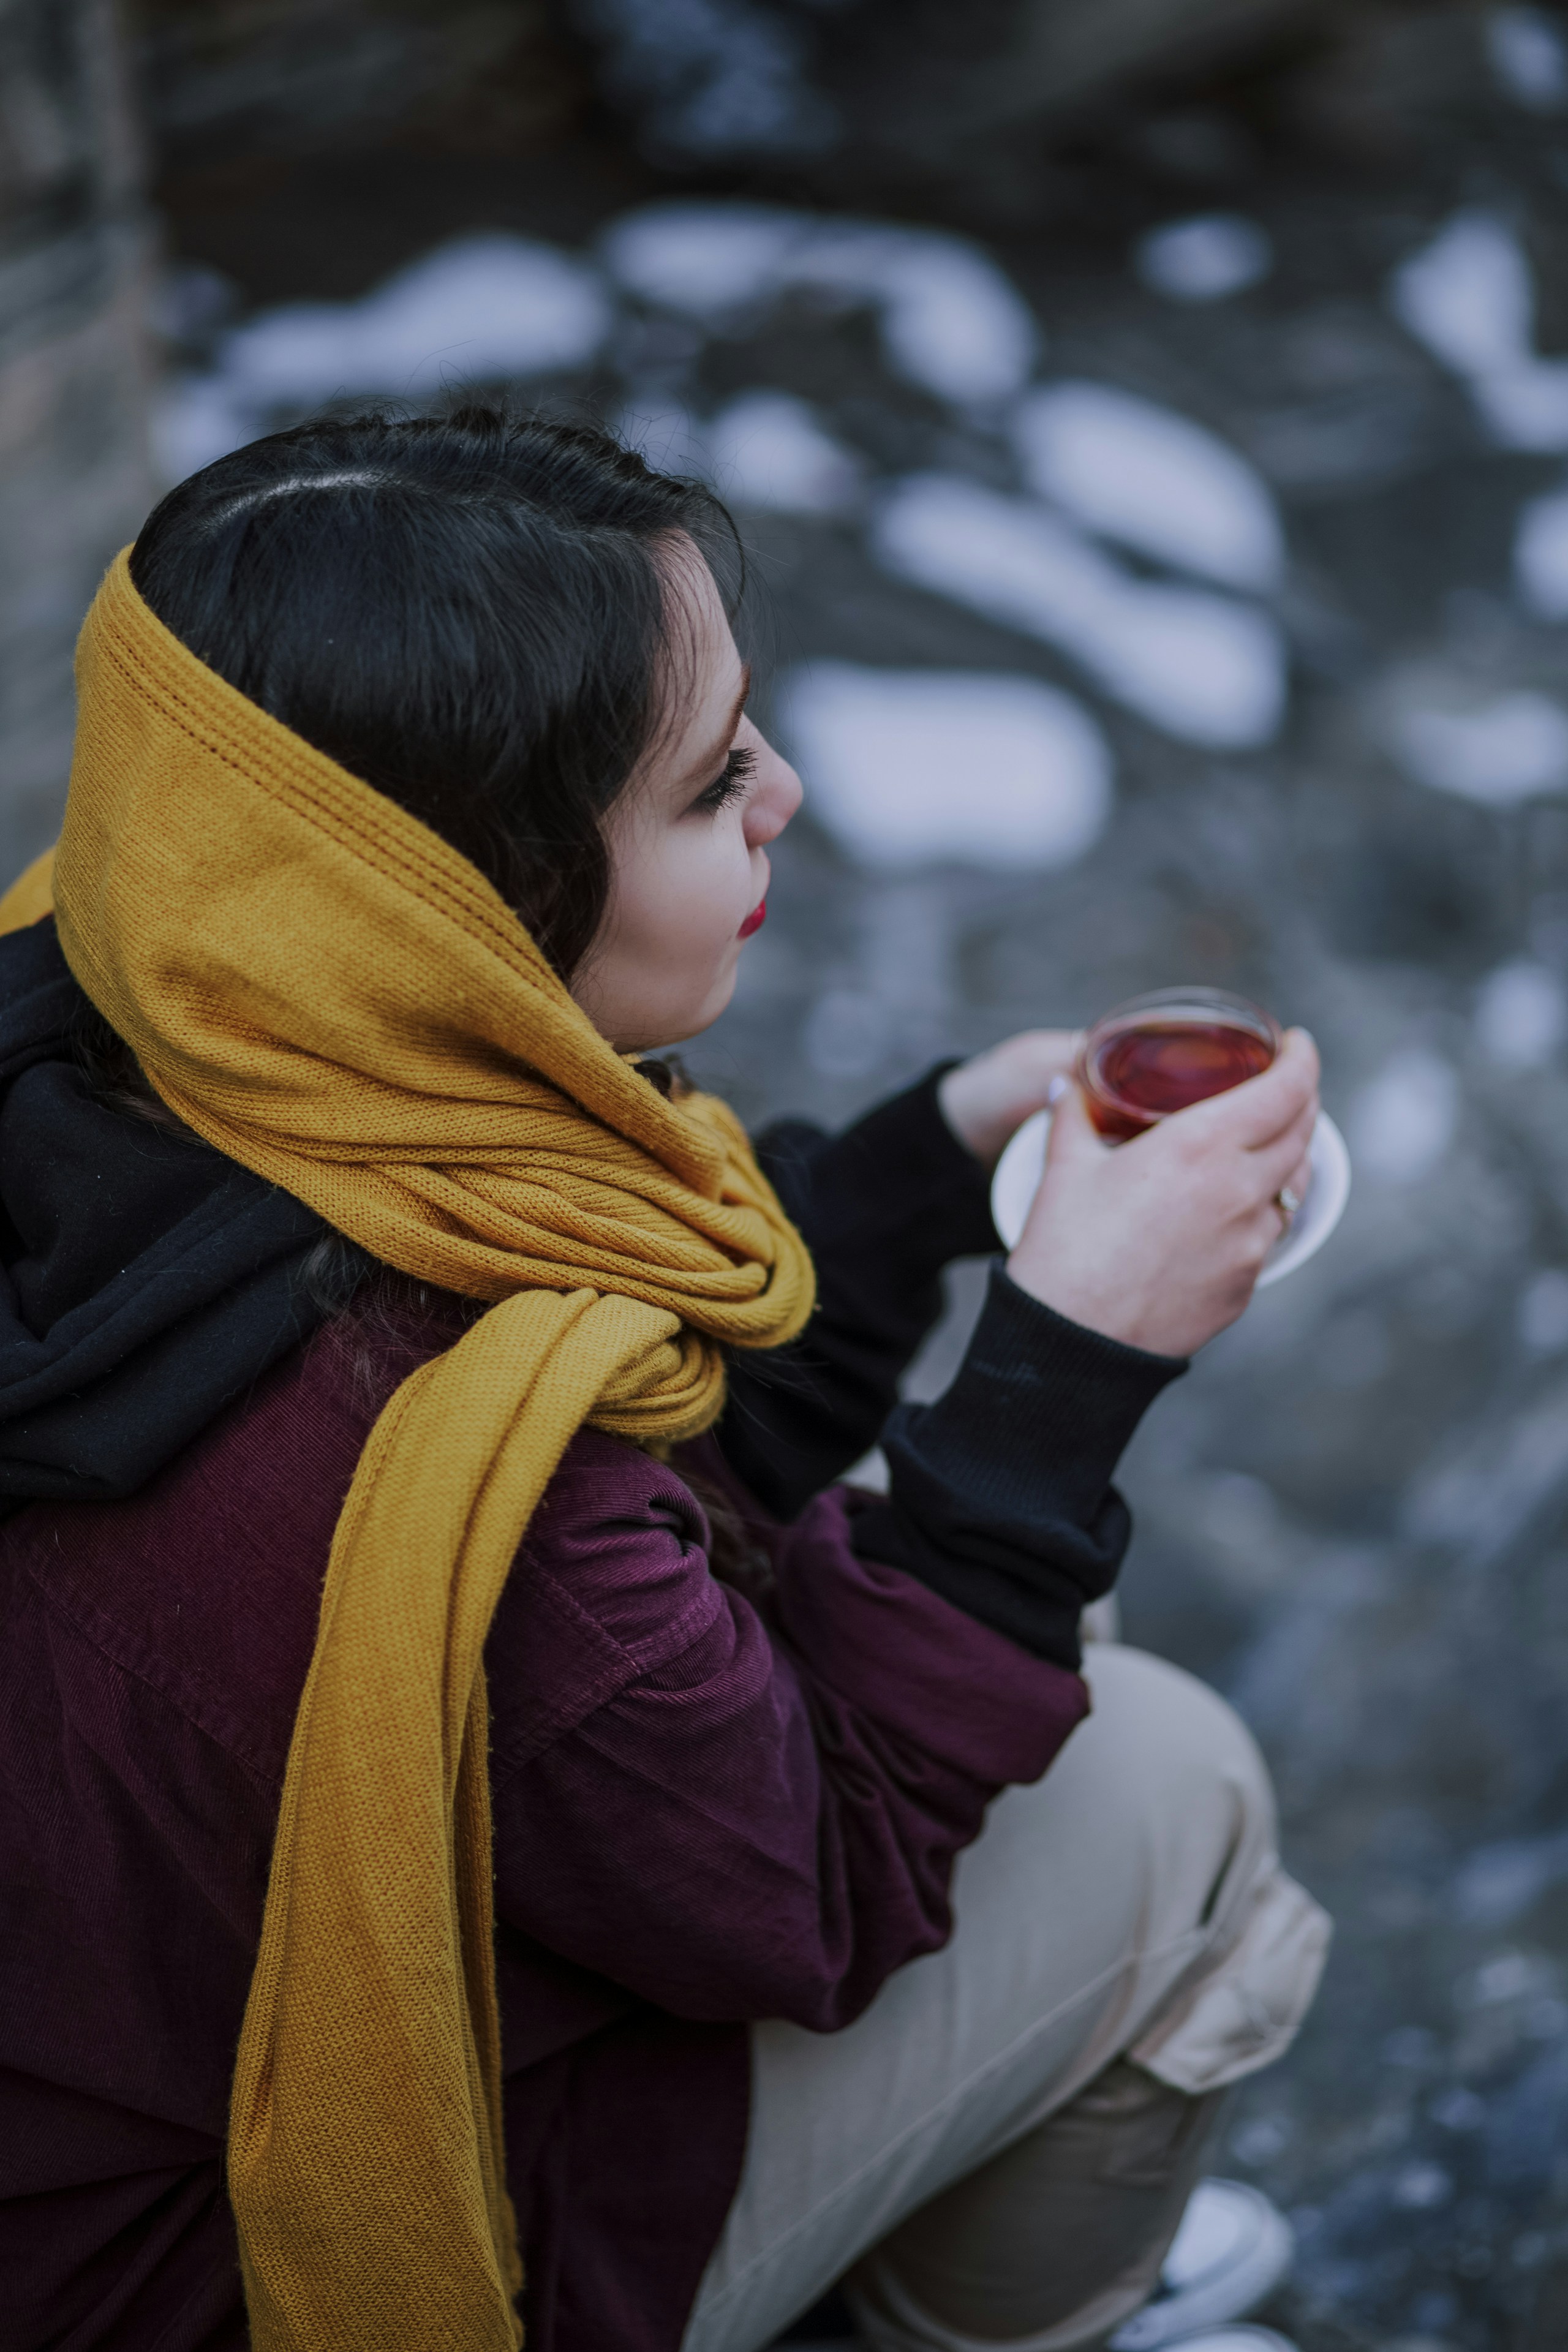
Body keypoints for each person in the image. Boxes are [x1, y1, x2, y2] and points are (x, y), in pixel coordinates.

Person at [0, 407, 1329, 2352]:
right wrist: (1067, 1365)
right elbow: (814, 1885)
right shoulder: (443, 1469)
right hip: (209, 2269)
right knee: (1162, 1776)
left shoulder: (140, 1007)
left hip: (111, 2051)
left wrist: (922, 1166)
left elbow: (667, 1448)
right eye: (709, 784)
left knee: (998, 1618)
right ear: (462, 911)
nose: (787, 791)